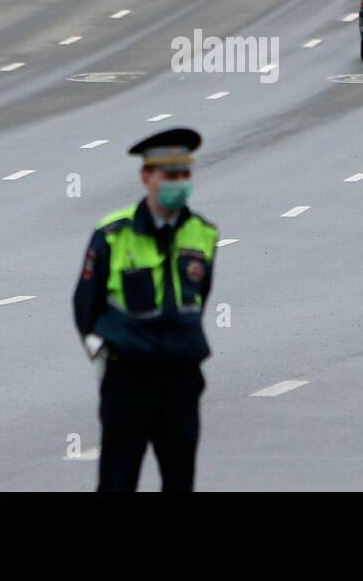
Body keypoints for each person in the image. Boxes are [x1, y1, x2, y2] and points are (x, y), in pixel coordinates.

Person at [72, 127, 219, 492]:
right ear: (146, 177)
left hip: (181, 380)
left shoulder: (203, 234)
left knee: (179, 482)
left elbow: (200, 299)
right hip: (128, 381)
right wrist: (101, 351)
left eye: (185, 174)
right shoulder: (113, 234)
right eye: (170, 175)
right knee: (118, 483)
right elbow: (85, 304)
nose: (179, 183)